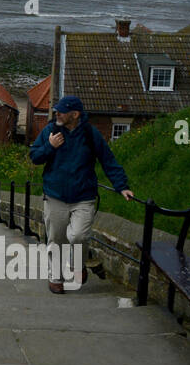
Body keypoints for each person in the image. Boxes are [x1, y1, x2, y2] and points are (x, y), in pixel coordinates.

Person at [29, 95, 134, 294]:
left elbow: (108, 160)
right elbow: (35, 157)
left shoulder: (90, 134)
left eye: (62, 111)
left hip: (84, 196)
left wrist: (122, 186)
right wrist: (50, 146)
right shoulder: (50, 131)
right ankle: (56, 278)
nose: (57, 114)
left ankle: (78, 264)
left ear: (75, 114)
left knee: (79, 236)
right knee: (56, 239)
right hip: (55, 195)